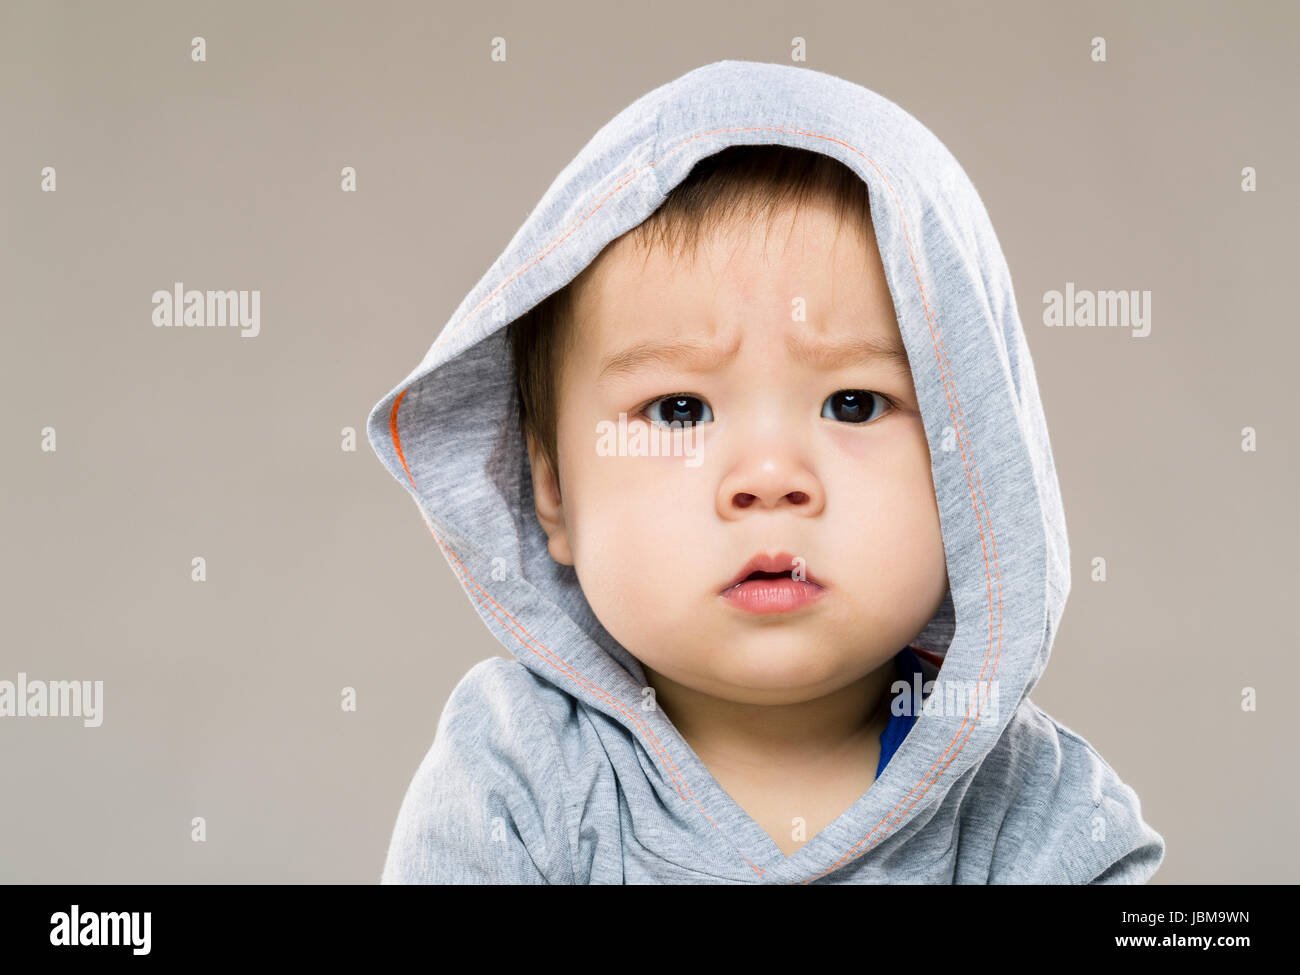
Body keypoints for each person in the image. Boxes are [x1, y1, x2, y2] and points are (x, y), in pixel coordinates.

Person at [367, 59, 1165, 883]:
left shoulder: (1046, 817)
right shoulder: (514, 779)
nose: (772, 476)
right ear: (555, 491)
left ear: (974, 465)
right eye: (679, 411)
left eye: (854, 403)